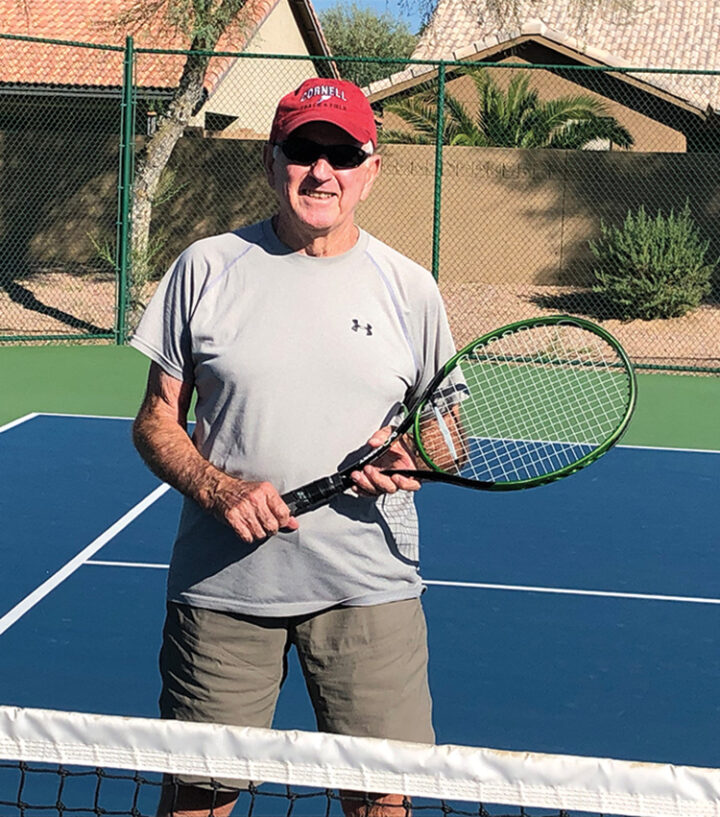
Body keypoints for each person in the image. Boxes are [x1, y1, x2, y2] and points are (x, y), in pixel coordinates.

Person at [130, 77, 457, 817]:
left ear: (371, 171)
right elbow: (154, 420)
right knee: (198, 798)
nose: (323, 170)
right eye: (305, 149)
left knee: (381, 800)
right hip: (223, 592)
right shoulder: (204, 268)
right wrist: (218, 489)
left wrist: (417, 455)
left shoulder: (410, 288)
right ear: (272, 161)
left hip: (370, 590)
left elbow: (447, 433)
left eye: (343, 154)